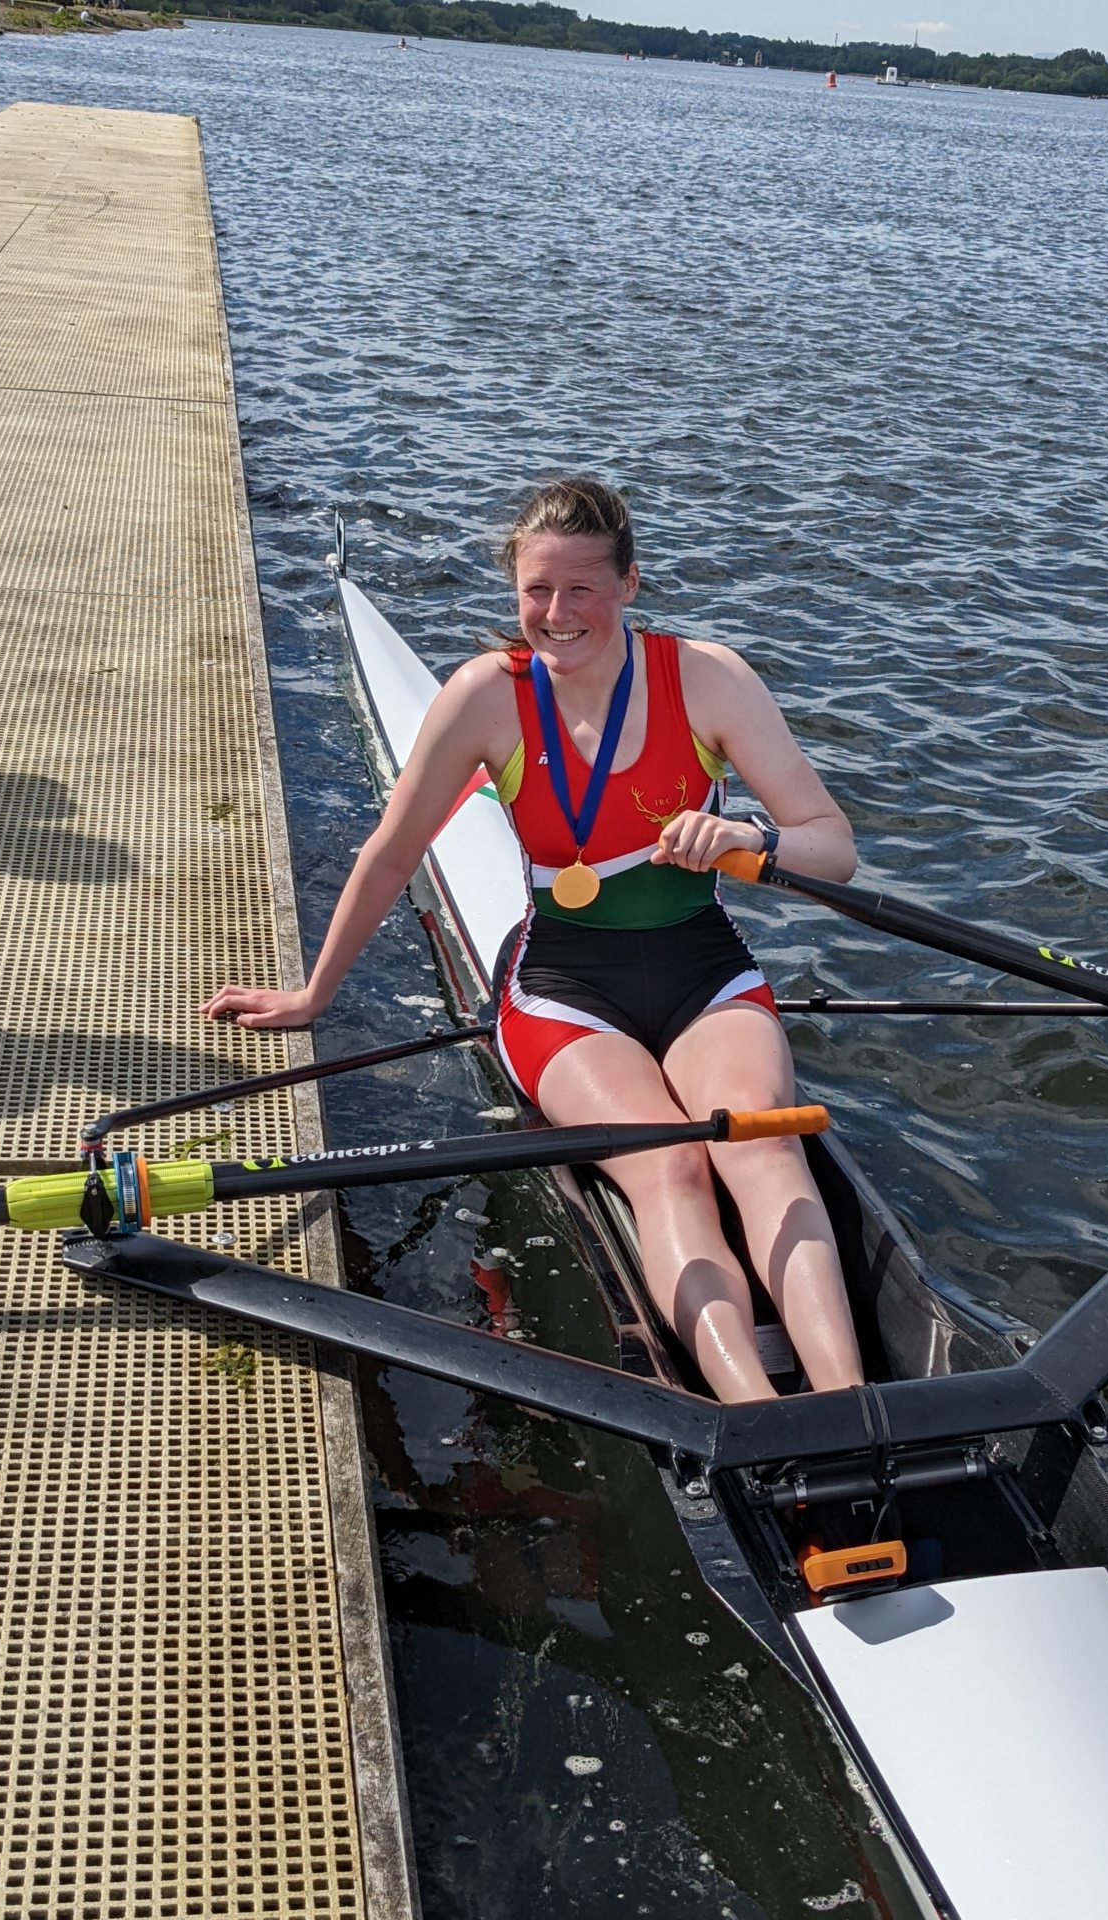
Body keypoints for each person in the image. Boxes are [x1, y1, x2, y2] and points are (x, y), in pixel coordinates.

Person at [203, 478, 865, 1404]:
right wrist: (316, 995)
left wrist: (752, 837)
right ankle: (755, 1417)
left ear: (630, 584)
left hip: (705, 968)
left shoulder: (707, 678)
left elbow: (833, 847)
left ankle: (852, 1405)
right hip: (562, 987)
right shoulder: (488, 698)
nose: (555, 616)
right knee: (670, 1162)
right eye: (535, 592)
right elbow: (394, 854)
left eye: (581, 589)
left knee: (761, 1146)